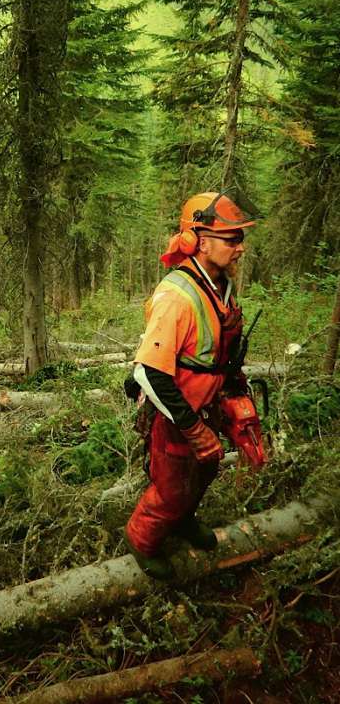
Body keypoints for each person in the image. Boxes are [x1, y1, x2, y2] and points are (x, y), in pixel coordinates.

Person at [124, 190, 258, 580]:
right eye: (232, 239)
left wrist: (234, 391)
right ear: (200, 240)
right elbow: (148, 373)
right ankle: (141, 540)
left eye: (241, 239)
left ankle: (182, 523)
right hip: (176, 411)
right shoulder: (176, 296)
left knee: (206, 469)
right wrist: (193, 428)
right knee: (171, 489)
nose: (240, 248)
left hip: (208, 402)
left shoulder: (220, 288)